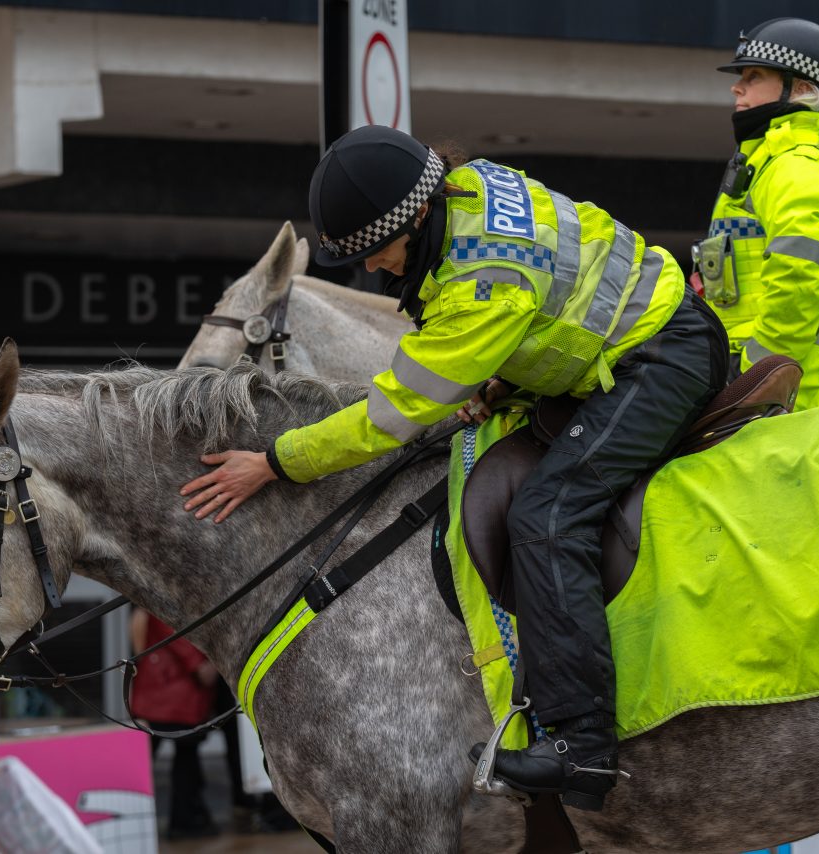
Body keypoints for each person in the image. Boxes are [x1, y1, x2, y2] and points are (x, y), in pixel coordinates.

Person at [178, 125, 728, 810]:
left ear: (414, 218)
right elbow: (551, 309)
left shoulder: (481, 281)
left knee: (549, 517)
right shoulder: (471, 186)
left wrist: (275, 463)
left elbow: (391, 415)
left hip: (661, 360)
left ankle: (582, 745)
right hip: (615, 350)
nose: (375, 269)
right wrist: (501, 379)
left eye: (377, 251)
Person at [694, 17, 819, 410]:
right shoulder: (776, 161)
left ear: (801, 89)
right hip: (791, 380)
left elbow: (798, 276)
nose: (737, 86)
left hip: (799, 391)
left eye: (754, 75)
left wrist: (755, 376)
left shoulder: (799, 165)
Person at [129, 608, 219, 839]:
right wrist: (199, 664)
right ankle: (183, 821)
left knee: (179, 757)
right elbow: (170, 627)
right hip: (172, 692)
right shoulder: (162, 601)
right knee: (180, 758)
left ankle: (140, 820)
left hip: (168, 692)